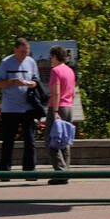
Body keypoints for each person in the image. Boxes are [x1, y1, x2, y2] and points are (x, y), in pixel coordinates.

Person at [0, 36, 41, 181]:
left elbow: (36, 80)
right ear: (15, 50)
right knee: (8, 140)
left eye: (26, 52)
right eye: (21, 52)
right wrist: (12, 81)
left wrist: (32, 84)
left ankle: (29, 171)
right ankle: (4, 172)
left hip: (27, 107)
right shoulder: (6, 62)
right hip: (10, 108)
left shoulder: (31, 62)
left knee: (30, 140)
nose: (24, 55)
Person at [46, 45, 75, 185]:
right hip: (69, 107)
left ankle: (60, 172)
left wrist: (55, 111)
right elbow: (72, 92)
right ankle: (66, 171)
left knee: (52, 140)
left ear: (55, 56)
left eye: (51, 56)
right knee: (64, 141)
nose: (50, 59)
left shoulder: (56, 71)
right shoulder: (70, 71)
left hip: (58, 107)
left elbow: (56, 92)